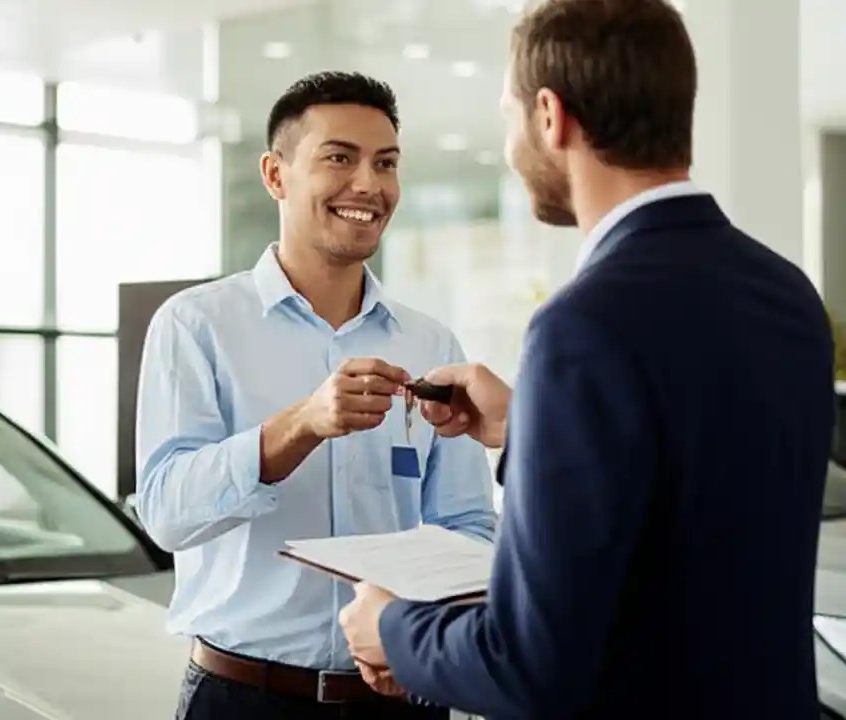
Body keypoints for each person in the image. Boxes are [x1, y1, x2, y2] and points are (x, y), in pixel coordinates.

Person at [337, 0, 838, 717]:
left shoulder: (582, 326)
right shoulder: (786, 293)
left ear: (550, 115)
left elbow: (531, 666)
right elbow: (695, 511)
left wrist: (389, 626)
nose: (510, 148)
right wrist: (528, 426)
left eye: (508, 115)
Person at [134, 71, 497, 719]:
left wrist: (421, 624)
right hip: (244, 698)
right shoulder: (197, 325)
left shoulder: (432, 342)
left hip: (405, 694)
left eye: (385, 164)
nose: (369, 185)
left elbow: (469, 527)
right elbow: (165, 513)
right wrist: (301, 425)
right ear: (276, 176)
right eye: (339, 158)